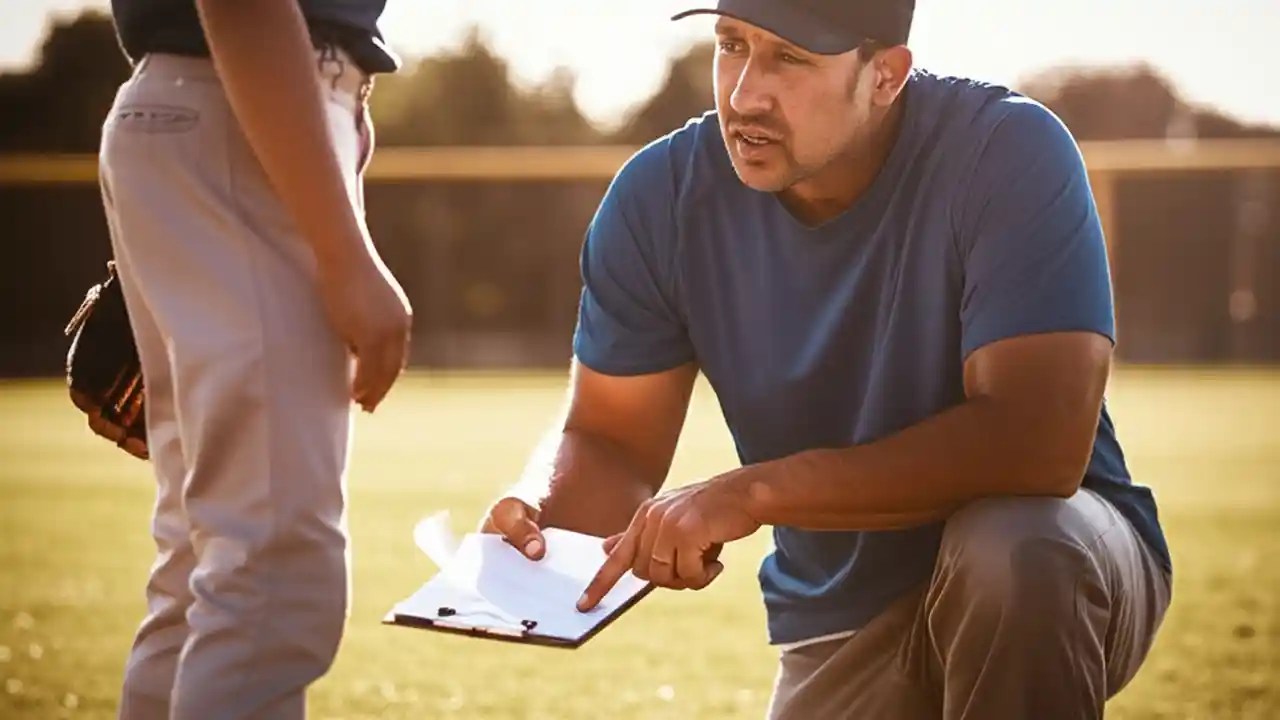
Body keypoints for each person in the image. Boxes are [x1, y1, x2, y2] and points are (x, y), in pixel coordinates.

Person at [481, 1, 1173, 717]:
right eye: (732, 44)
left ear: (885, 76)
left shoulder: (1007, 150)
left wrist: (751, 493)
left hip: (1063, 564)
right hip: (842, 613)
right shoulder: (659, 198)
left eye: (791, 58)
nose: (745, 93)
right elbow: (611, 440)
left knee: (1014, 546)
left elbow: (1038, 445)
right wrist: (542, 515)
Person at [98, 1, 412, 717]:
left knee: (203, 567)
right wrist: (343, 252)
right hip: (249, 98)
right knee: (270, 571)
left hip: (212, 102)